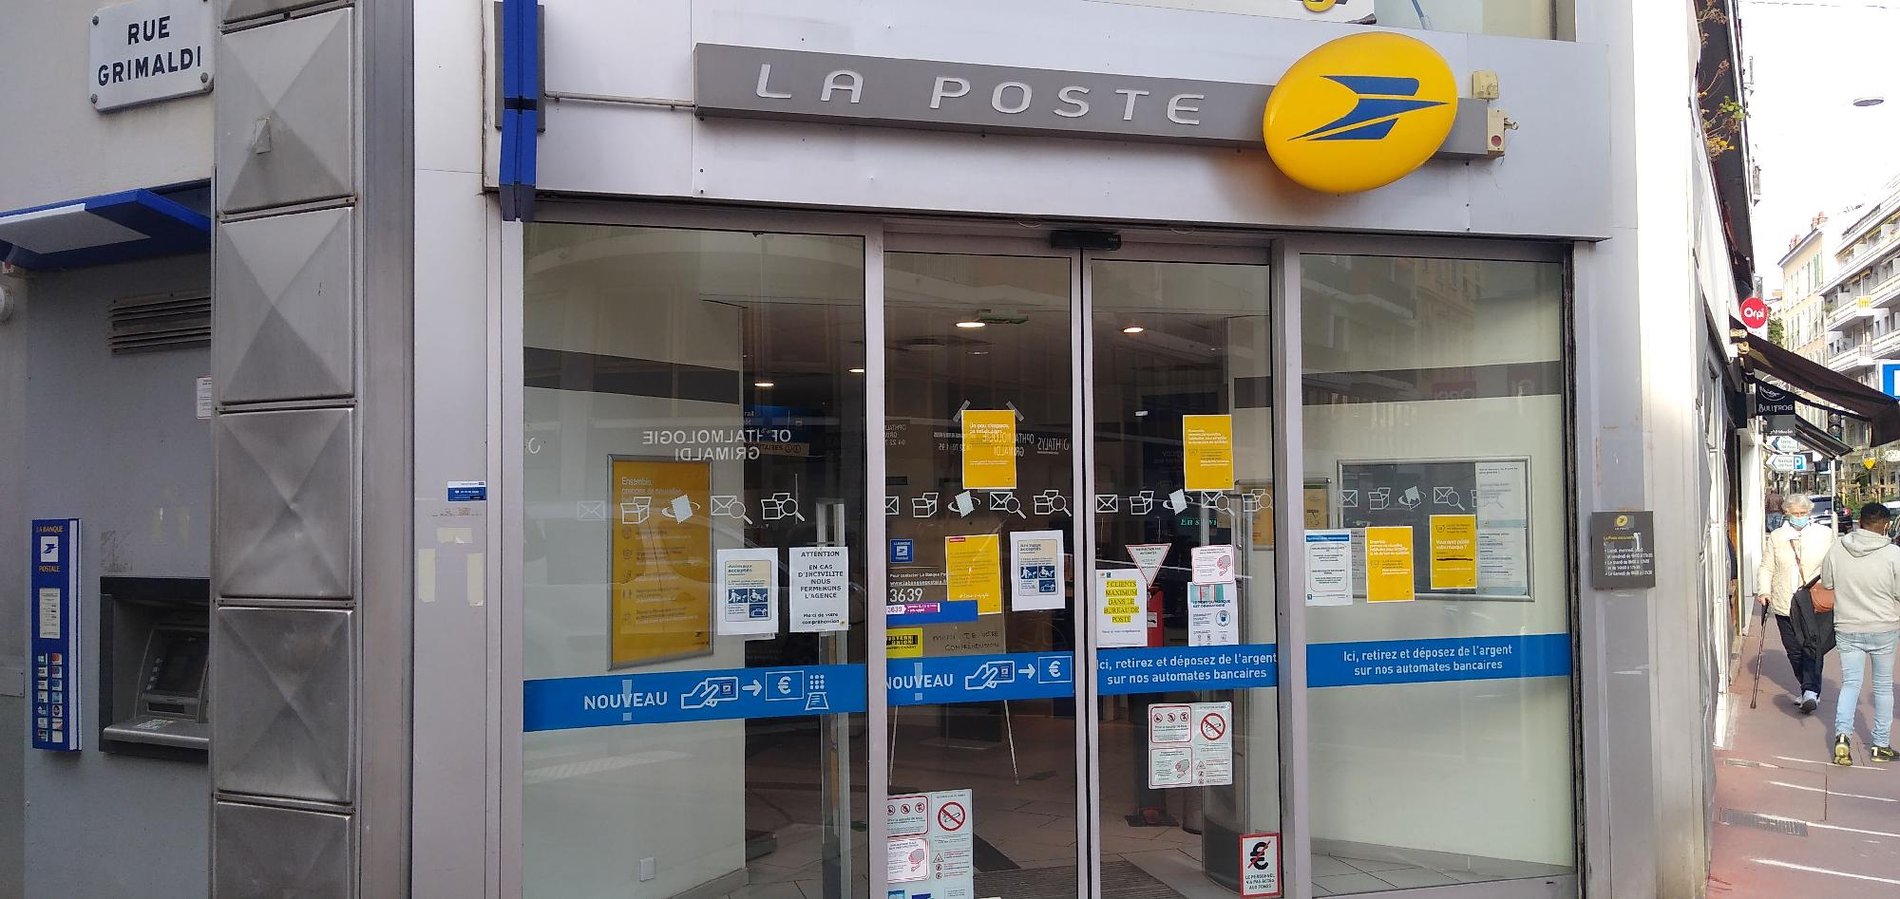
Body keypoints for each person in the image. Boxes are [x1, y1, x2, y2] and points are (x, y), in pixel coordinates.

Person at [1820, 502, 1900, 766]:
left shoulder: (1837, 549)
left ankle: (1842, 737)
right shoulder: (1893, 554)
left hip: (1847, 625)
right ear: (1885, 525)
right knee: (1883, 687)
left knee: (1850, 684)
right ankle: (1880, 745)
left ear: (1860, 521)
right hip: (1884, 627)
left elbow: (1827, 583)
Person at [1757, 494, 1835, 712]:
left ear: (1809, 513)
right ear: (1787, 513)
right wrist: (1764, 590)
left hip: (1812, 602)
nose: (1799, 517)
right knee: (1794, 650)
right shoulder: (1777, 537)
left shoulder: (1824, 534)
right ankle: (1807, 688)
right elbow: (1767, 567)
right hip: (1785, 600)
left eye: (1803, 513)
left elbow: (1834, 565)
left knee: (1812, 647)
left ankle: (1811, 691)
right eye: (1795, 513)